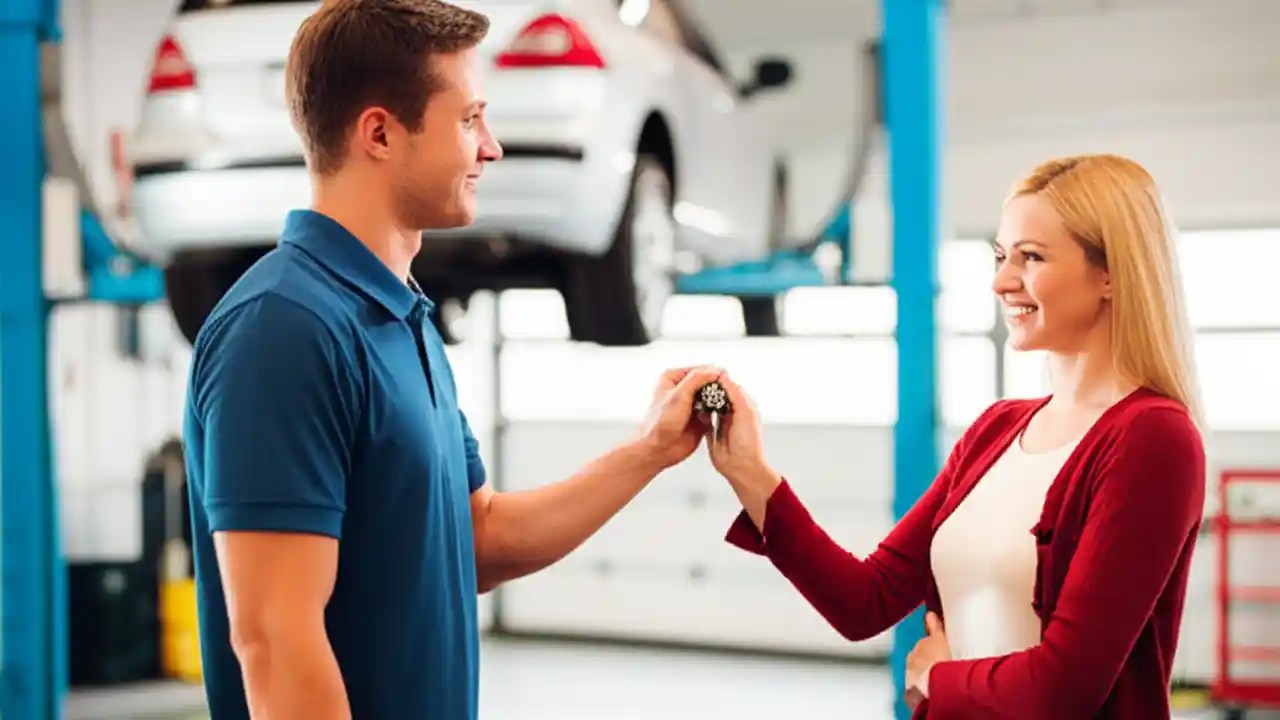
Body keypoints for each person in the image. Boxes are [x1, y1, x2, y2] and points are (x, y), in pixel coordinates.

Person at [180, 1, 722, 718]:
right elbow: (276, 641)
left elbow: (478, 539)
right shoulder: (284, 329)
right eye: (469, 120)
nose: (490, 148)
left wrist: (647, 453)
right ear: (380, 133)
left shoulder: (401, 318)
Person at [703, 154, 1206, 719]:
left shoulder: (1153, 438)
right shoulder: (997, 430)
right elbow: (865, 600)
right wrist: (747, 469)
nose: (1002, 281)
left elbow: (1064, 688)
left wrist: (937, 679)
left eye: (1031, 257)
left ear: (1110, 272)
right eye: (1000, 256)